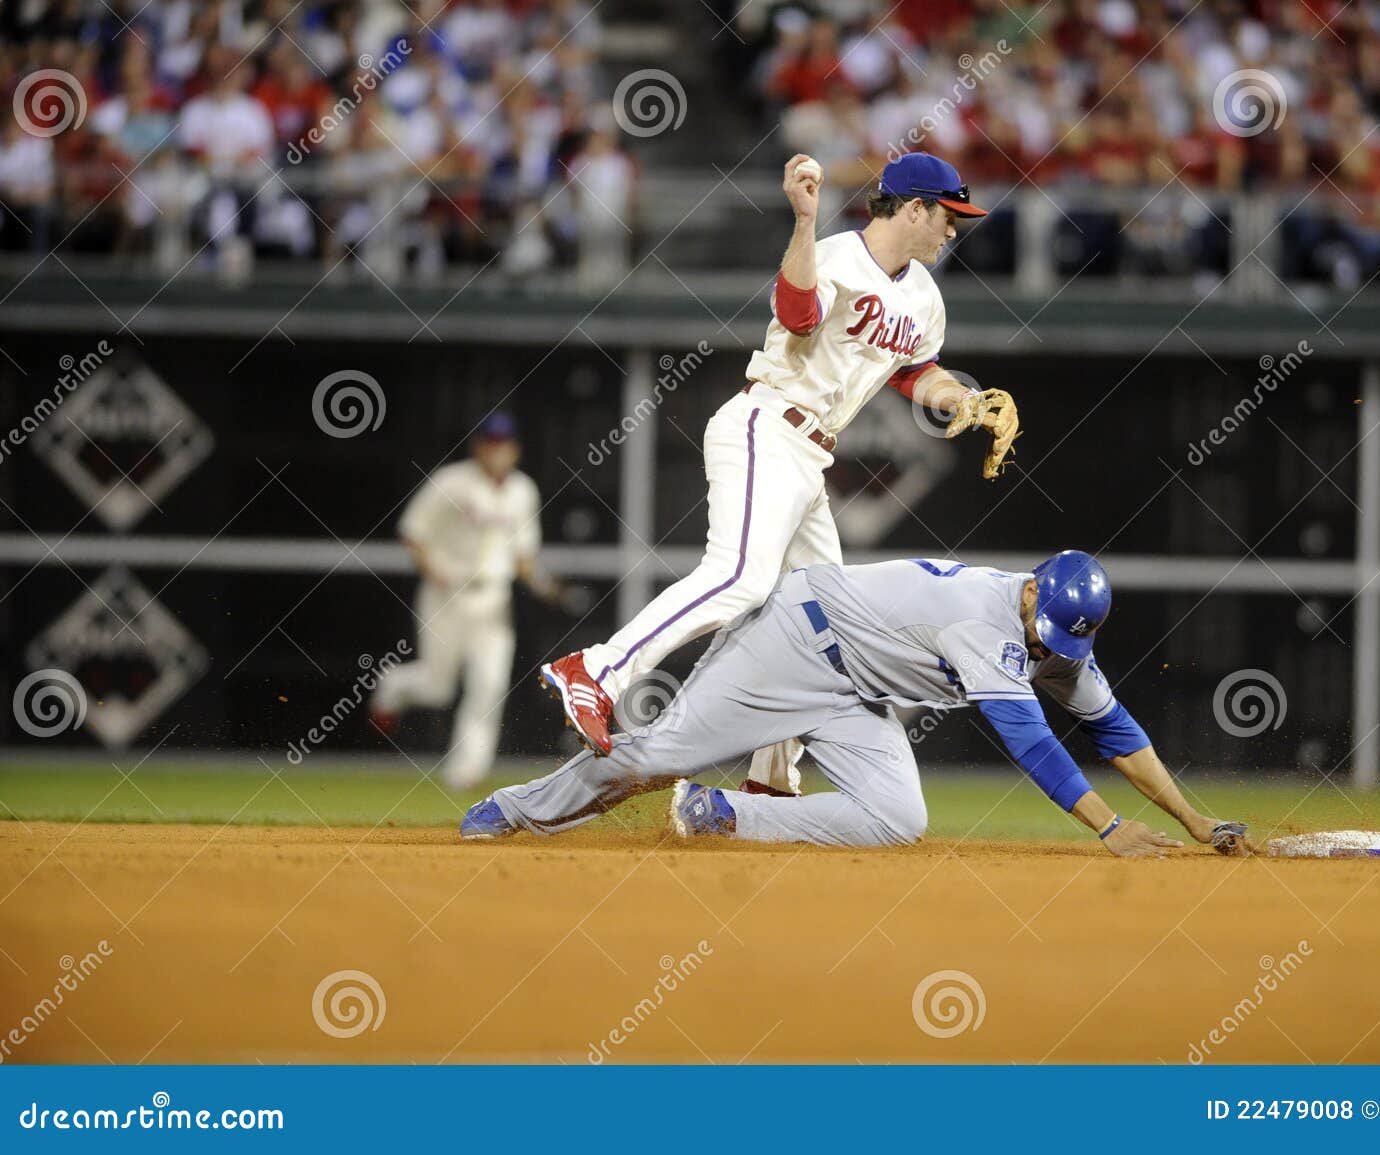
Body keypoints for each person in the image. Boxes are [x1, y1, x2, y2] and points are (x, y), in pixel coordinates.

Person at [540, 151, 1020, 802]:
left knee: (824, 626)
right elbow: (797, 315)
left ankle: (770, 779)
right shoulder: (836, 255)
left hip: (813, 456)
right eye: (947, 215)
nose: (953, 229)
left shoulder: (926, 299)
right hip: (767, 423)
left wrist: (957, 397)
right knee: (741, 577)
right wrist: (803, 220)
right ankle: (595, 670)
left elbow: (915, 372)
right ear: (913, 209)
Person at [465, 551, 1249, 856]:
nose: (1050, 652)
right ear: (1036, 586)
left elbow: (1115, 729)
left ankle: (720, 814)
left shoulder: (1055, 641)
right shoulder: (982, 614)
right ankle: (513, 809)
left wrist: (1192, 817)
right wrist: (1109, 826)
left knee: (898, 819)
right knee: (660, 751)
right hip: (793, 641)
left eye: (1062, 646)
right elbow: (1034, 743)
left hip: (853, 691)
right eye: (1045, 633)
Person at [371, 412, 565, 790]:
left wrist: (544, 586)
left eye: (504, 444)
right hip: (446, 594)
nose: (497, 451)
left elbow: (524, 556)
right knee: (437, 686)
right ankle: (392, 687)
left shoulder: (522, 491)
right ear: (479, 447)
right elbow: (413, 531)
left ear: (515, 450)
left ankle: (465, 775)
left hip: (493, 598)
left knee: (489, 686)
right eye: (491, 443)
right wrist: (433, 569)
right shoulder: (452, 481)